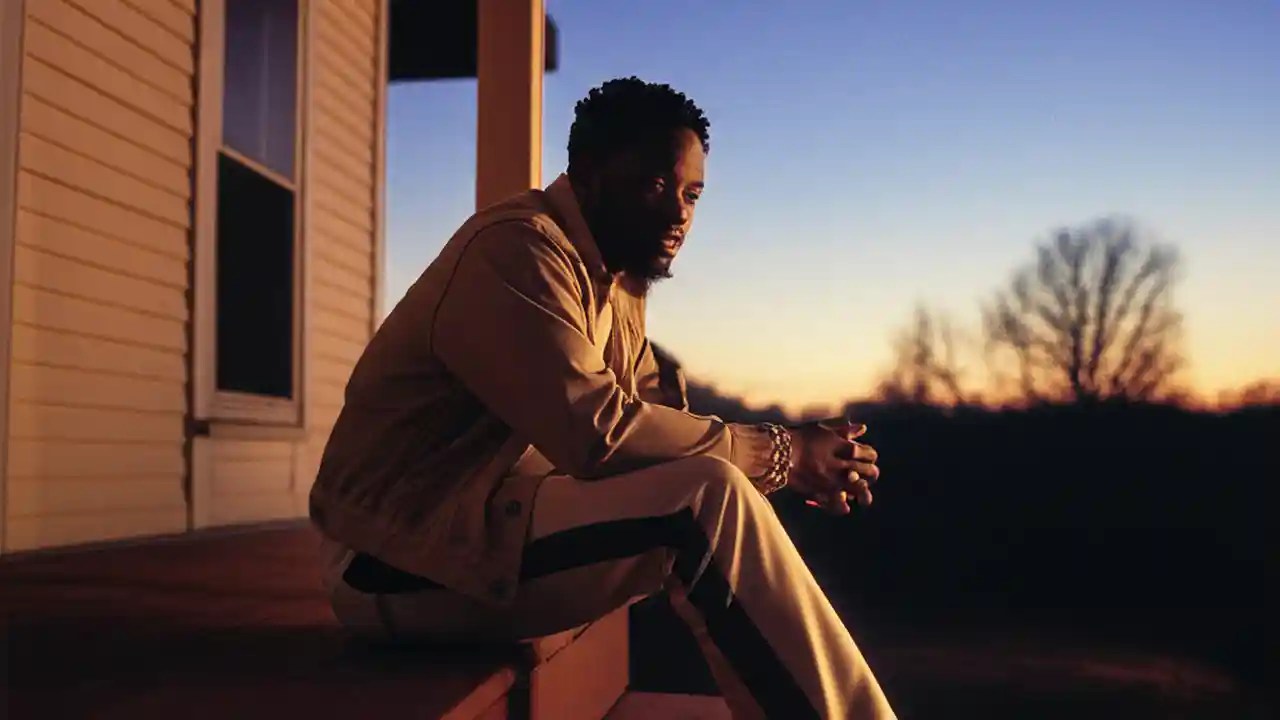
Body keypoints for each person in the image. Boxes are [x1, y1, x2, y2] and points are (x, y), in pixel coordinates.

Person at [310, 77, 896, 719]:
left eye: (692, 194)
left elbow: (659, 430)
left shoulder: (613, 285)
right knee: (703, 500)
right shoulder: (517, 250)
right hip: (397, 556)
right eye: (655, 185)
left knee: (705, 486)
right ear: (588, 173)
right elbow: (599, 435)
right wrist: (779, 452)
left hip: (482, 525)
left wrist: (795, 463)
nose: (679, 214)